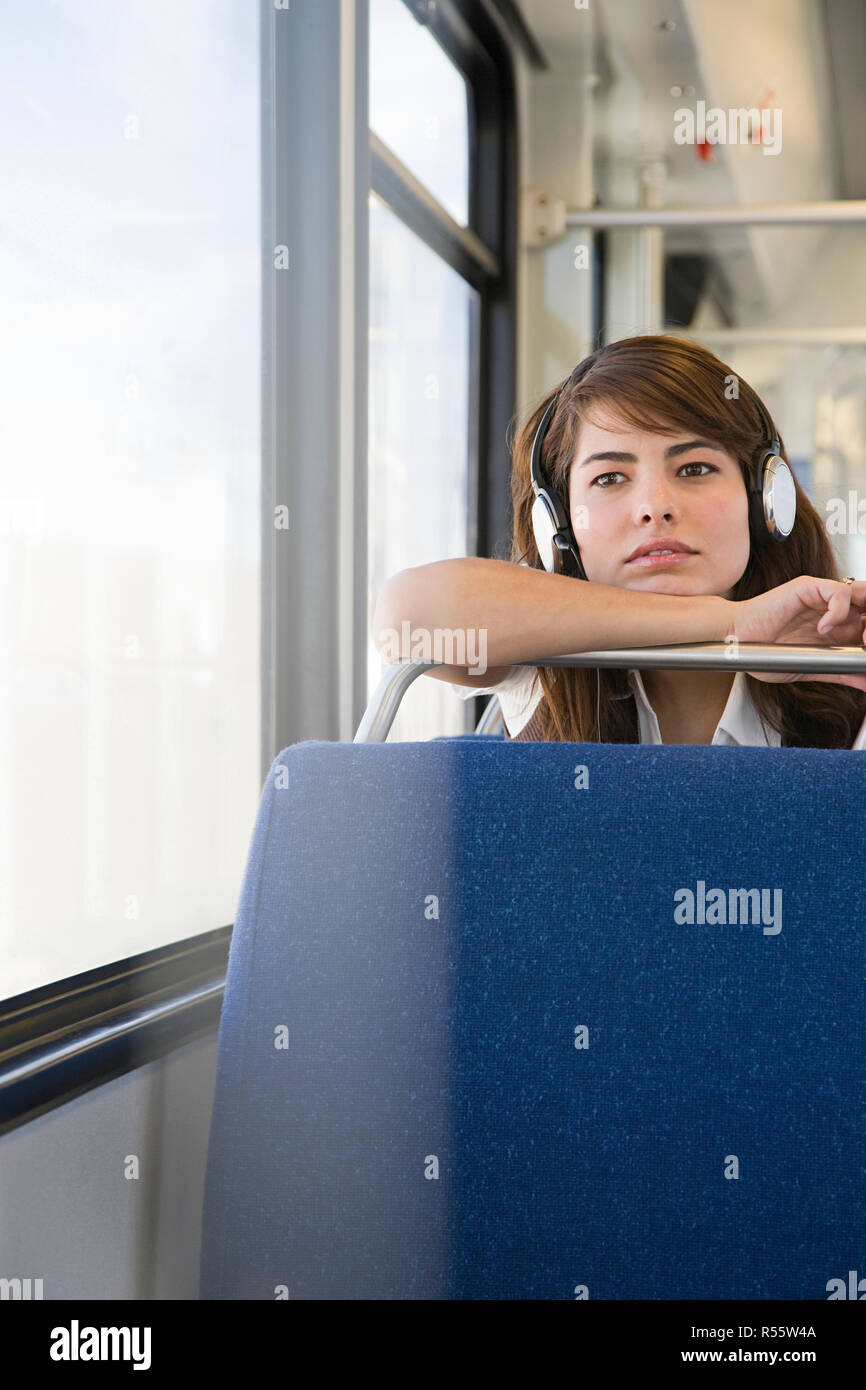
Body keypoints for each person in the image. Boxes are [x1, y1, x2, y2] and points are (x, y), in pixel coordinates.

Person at [372, 335, 866, 748]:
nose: (654, 506)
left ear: (764, 501)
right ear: (560, 524)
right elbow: (405, 621)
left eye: (695, 468)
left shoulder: (840, 668)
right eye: (610, 478)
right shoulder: (541, 667)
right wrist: (736, 623)